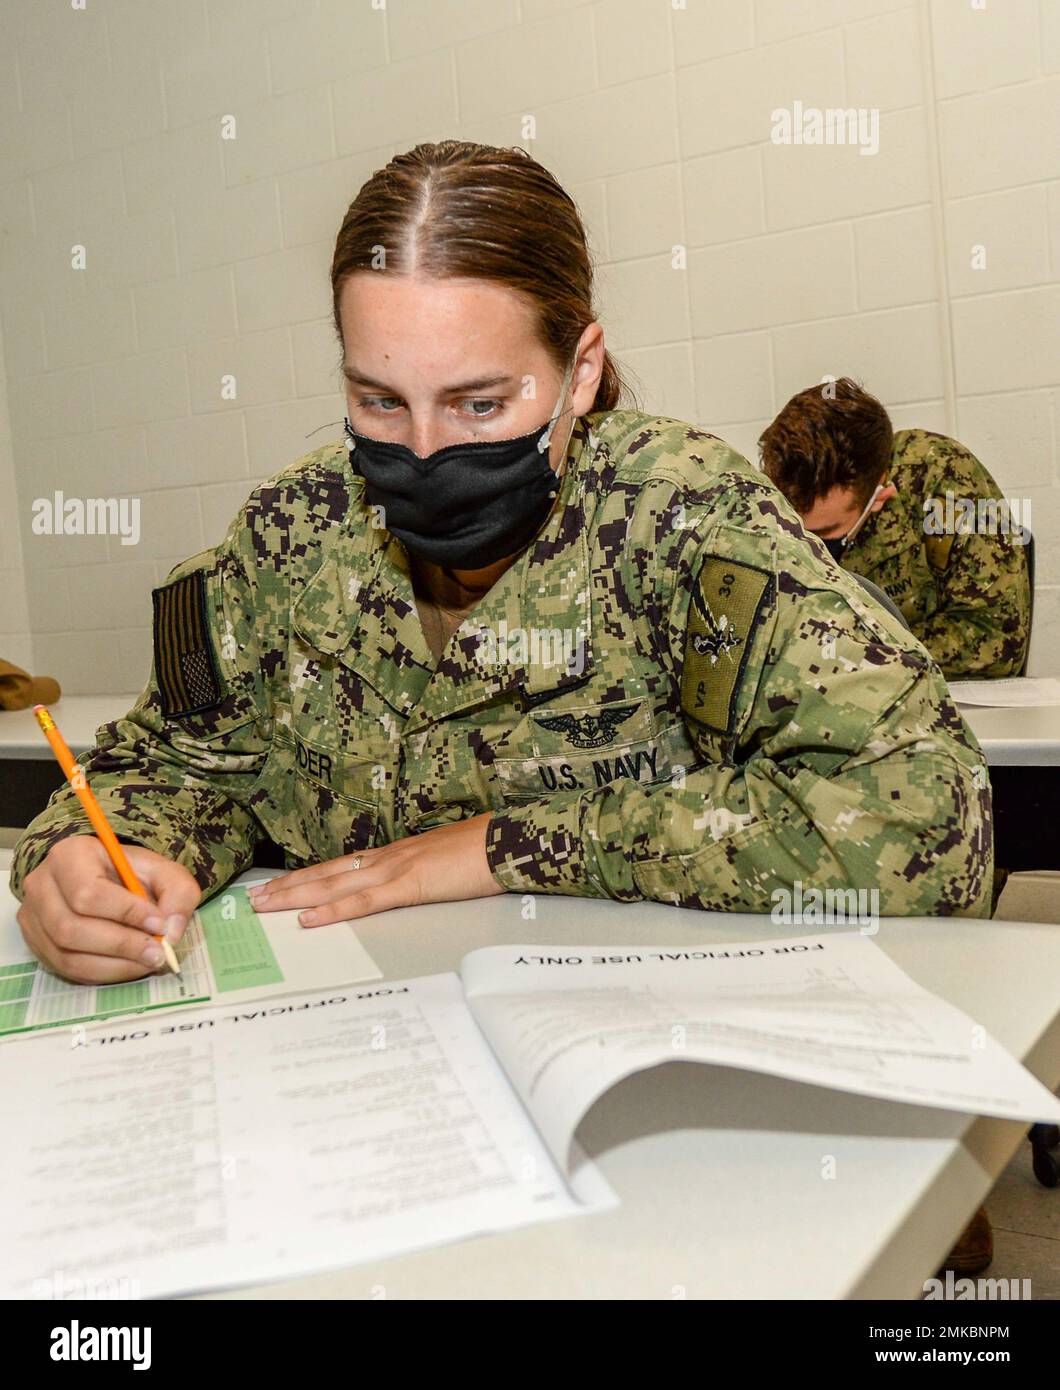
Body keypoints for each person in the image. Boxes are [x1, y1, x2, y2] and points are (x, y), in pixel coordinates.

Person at [10, 141, 993, 991]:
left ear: (582, 372)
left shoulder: (679, 519)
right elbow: (168, 771)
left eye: (481, 405)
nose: (427, 452)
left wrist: (509, 844)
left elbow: (926, 816)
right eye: (380, 402)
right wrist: (89, 859)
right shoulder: (290, 533)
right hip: (366, 1073)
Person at [759, 378, 1031, 678]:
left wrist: (855, 656)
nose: (809, 543)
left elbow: (995, 641)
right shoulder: (773, 493)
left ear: (879, 498)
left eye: (825, 533)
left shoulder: (944, 481)